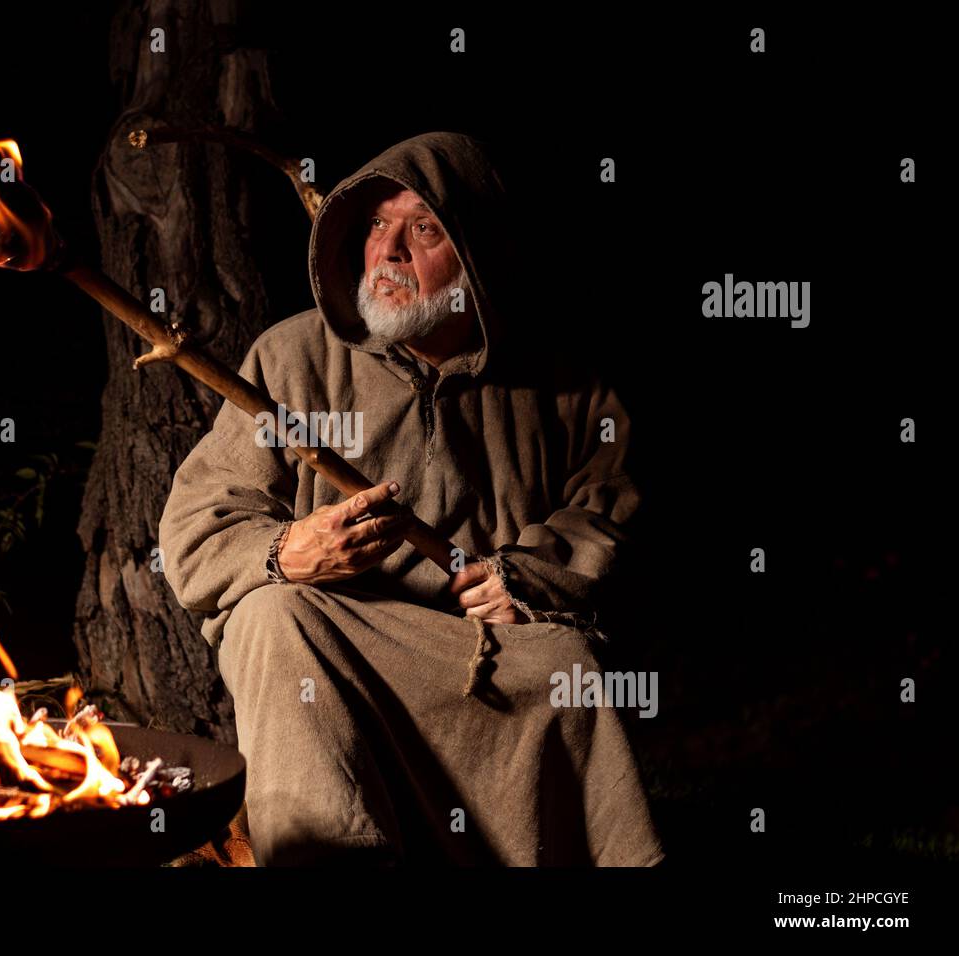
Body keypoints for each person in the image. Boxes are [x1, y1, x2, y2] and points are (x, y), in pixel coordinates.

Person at [158, 131, 663, 866]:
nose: (388, 250)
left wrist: (525, 574)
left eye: (423, 229)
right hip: (335, 642)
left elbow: (611, 507)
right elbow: (199, 524)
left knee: (563, 659)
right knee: (272, 612)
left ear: (478, 256)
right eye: (374, 225)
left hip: (479, 653)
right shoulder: (290, 358)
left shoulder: (563, 380)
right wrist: (283, 551)